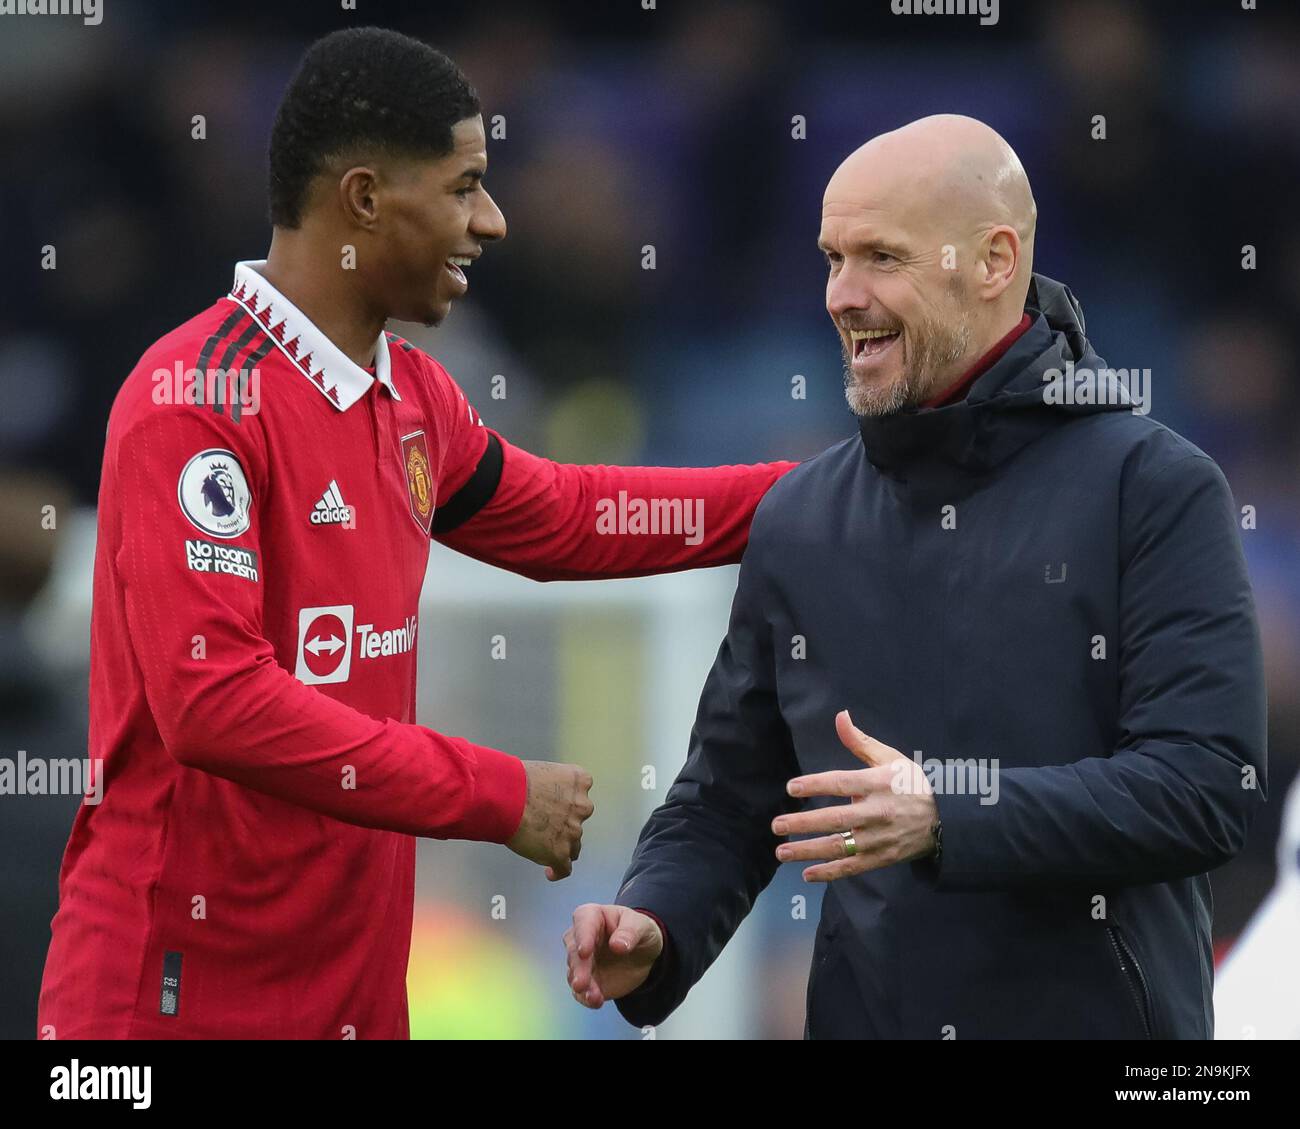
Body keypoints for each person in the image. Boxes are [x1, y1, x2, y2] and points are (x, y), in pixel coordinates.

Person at [37, 27, 794, 1040]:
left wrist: (812, 494)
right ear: (362, 200)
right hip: (174, 997)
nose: (493, 220)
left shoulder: (411, 399)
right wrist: (492, 792)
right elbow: (211, 701)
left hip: (351, 994)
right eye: (464, 186)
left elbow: (568, 517)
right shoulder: (196, 401)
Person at [564, 114, 1267, 1039]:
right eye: (830, 258)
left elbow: (1206, 786)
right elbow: (728, 798)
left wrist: (950, 812)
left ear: (993, 261)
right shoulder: (802, 519)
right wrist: (657, 917)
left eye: (881, 258)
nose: (841, 296)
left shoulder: (1154, 487)